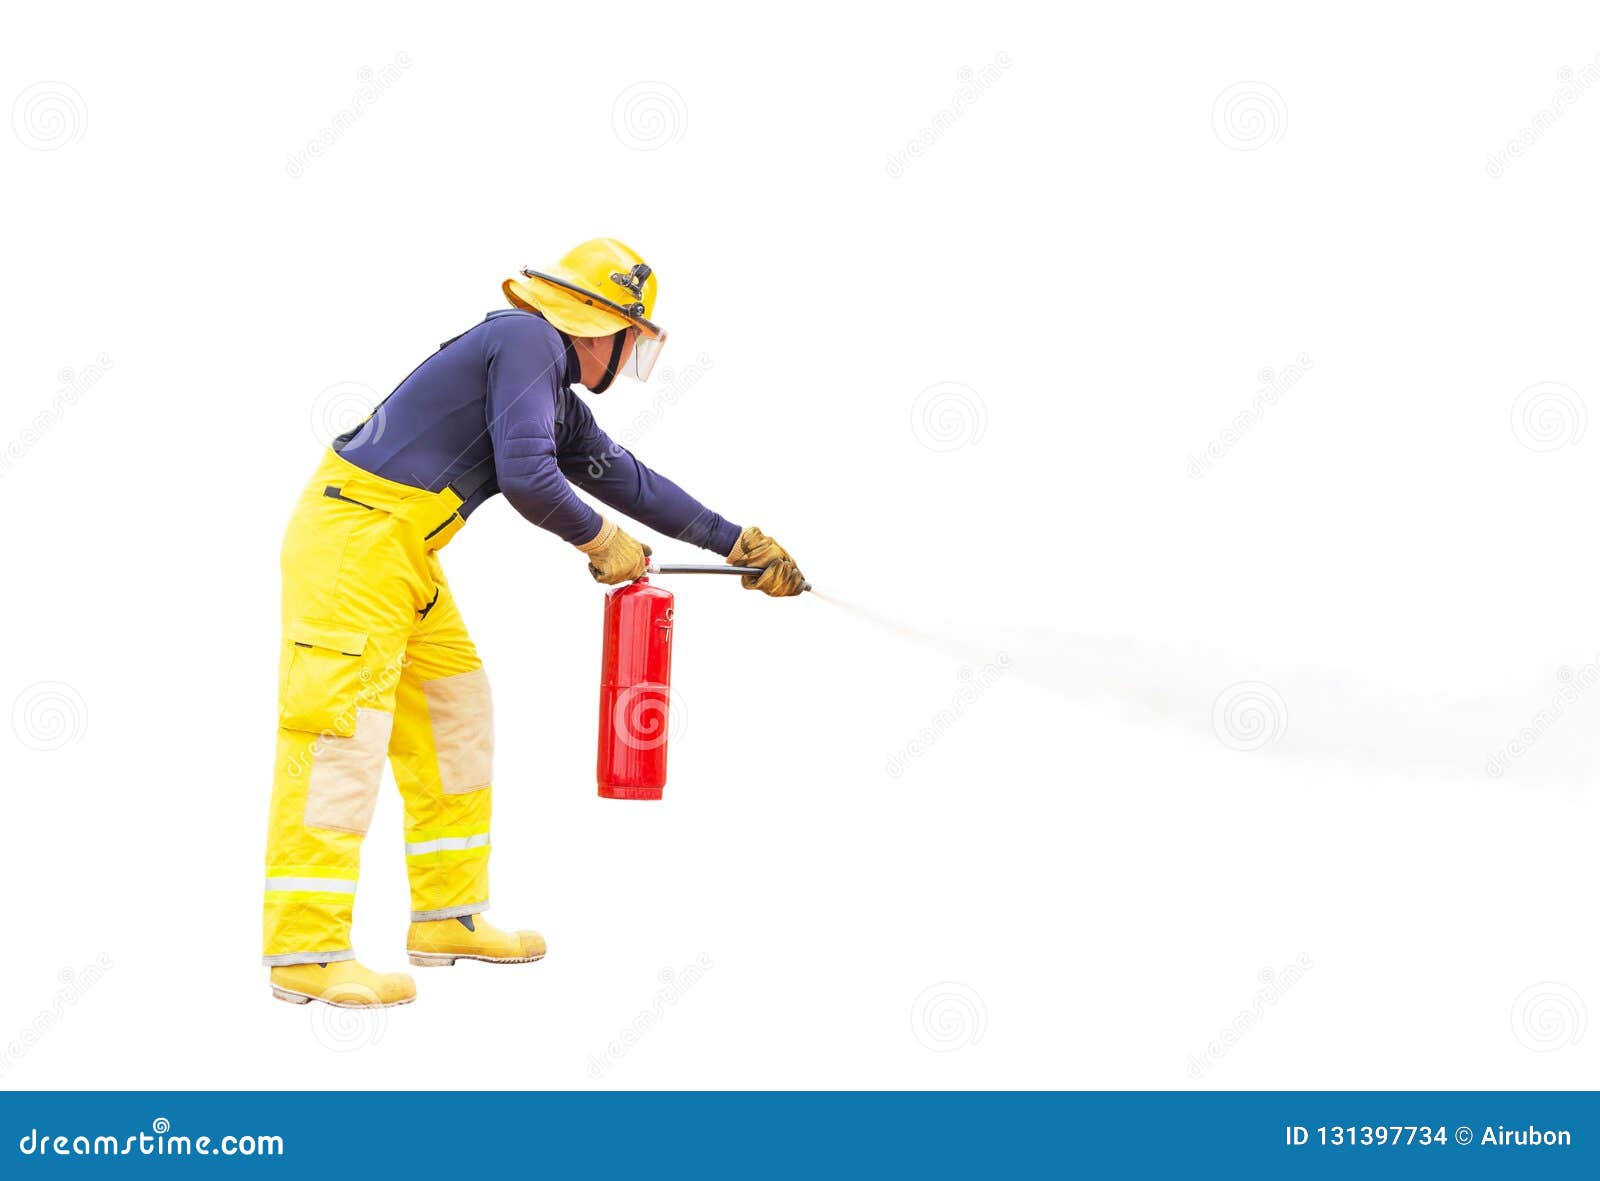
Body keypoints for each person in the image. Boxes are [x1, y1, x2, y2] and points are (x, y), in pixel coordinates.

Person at [263, 239, 805, 1009]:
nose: (629, 357)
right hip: (354, 541)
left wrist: (735, 542)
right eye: (632, 338)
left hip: (400, 551)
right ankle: (305, 951)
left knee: (456, 711)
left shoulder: (549, 390)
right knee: (340, 736)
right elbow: (526, 475)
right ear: (600, 325)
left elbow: (628, 479)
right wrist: (599, 539)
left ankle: (447, 917)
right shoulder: (527, 341)